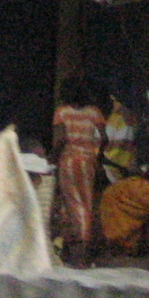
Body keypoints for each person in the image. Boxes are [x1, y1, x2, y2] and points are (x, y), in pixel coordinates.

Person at [50, 76, 106, 266]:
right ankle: (74, 250)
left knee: (71, 203)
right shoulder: (94, 112)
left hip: (69, 162)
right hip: (88, 162)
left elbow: (60, 140)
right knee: (86, 202)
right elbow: (103, 138)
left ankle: (80, 249)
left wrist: (52, 158)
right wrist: (98, 158)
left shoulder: (62, 112)